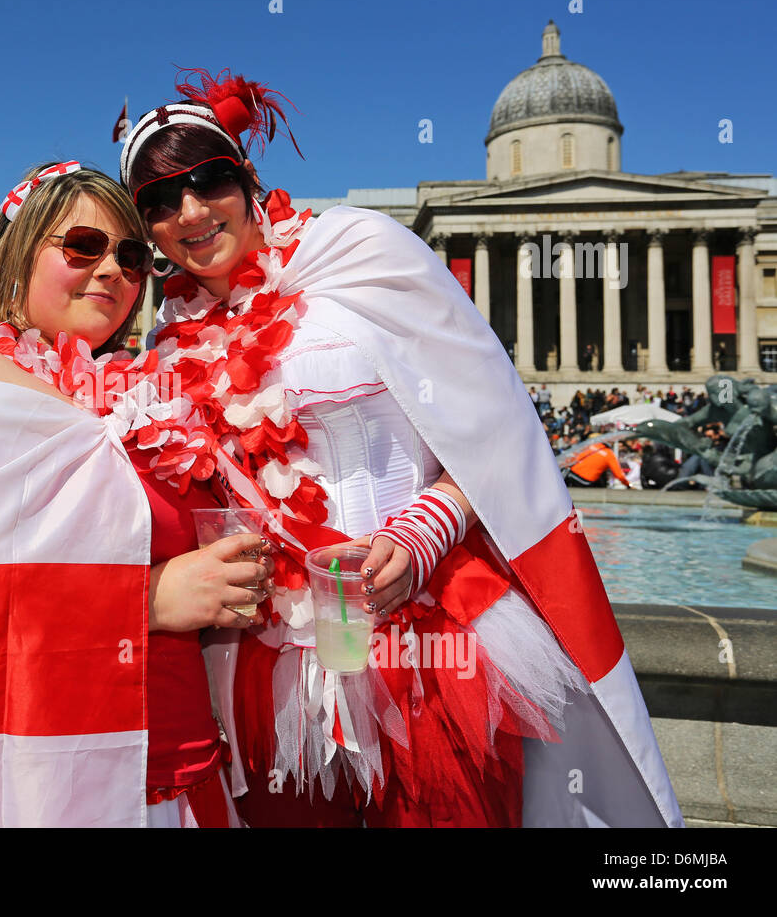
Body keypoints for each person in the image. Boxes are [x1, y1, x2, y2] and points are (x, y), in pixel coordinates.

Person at [118, 69, 681, 827]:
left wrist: (424, 531)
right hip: (271, 669)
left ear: (248, 177)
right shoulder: (163, 345)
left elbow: (497, 434)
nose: (189, 210)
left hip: (431, 638)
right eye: (158, 199)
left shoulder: (361, 250)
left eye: (210, 178)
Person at [0, 162, 265, 827]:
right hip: (43, 788)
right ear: (16, 256)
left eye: (132, 256)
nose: (113, 270)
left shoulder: (134, 398)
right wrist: (146, 601)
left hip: (178, 773)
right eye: (82, 247)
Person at [564, 441, 631, 488]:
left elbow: (573, 457)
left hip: (571, 474)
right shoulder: (609, 454)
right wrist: (628, 485)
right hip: (585, 481)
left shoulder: (591, 446)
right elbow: (619, 474)